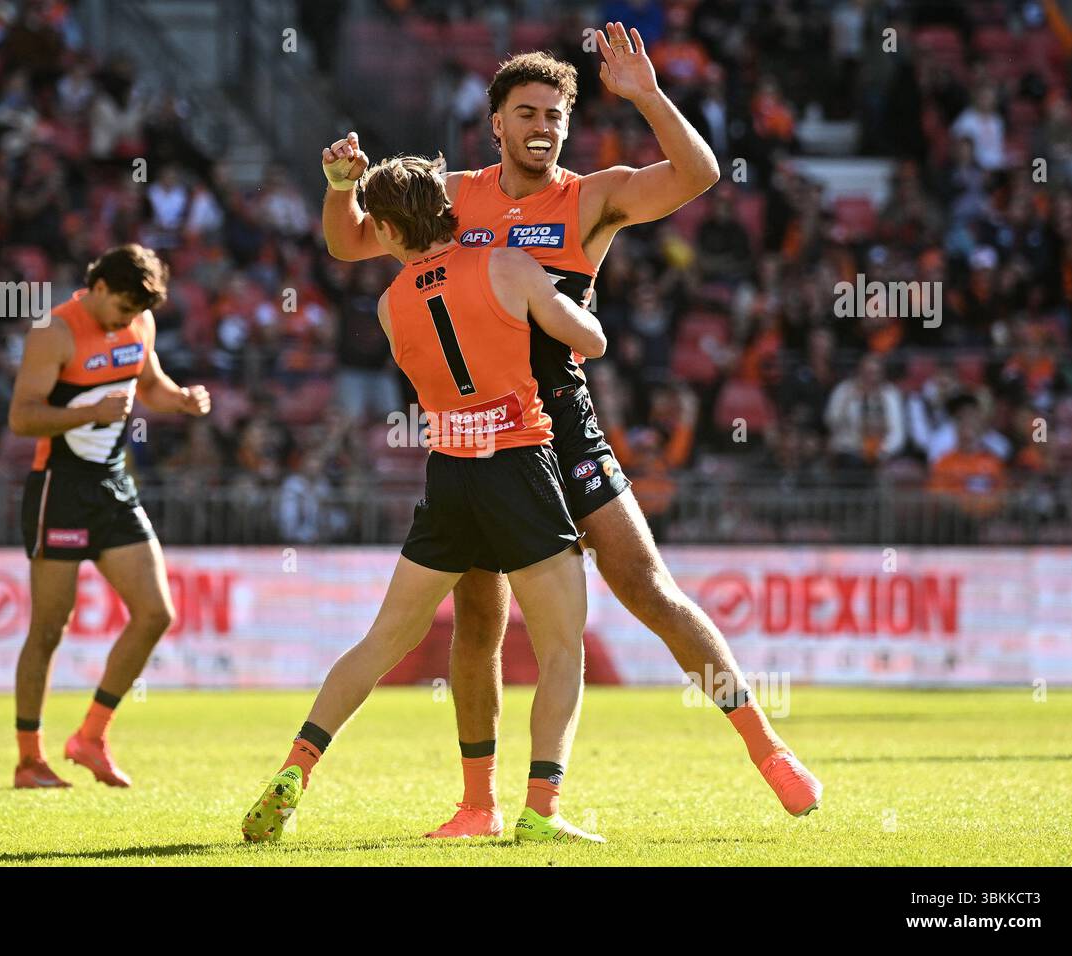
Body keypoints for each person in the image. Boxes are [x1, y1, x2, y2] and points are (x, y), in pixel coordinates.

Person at [321, 23, 822, 837]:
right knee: (478, 624)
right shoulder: (455, 196)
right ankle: (478, 805)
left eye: (555, 115)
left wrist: (647, 95)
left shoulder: (592, 197)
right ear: (495, 123)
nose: (542, 127)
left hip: (566, 429)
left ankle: (768, 749)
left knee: (648, 588)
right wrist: (340, 184)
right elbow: (350, 242)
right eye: (526, 113)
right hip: (485, 439)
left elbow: (699, 174)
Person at [242, 155, 609, 844]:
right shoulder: (507, 265)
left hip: (449, 472)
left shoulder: (389, 305)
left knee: (381, 640)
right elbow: (592, 339)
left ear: (385, 230)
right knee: (563, 648)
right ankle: (541, 808)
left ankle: (298, 765)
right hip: (519, 464)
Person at [6, 244, 211, 788]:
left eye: (135, 312)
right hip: (60, 489)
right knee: (48, 628)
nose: (127, 320)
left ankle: (90, 737)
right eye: (121, 308)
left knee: (155, 613)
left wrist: (182, 400)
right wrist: (92, 411)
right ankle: (29, 760)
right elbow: (21, 418)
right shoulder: (55, 332)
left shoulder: (139, 322)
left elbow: (152, 387)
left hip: (114, 486)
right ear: (98, 288)